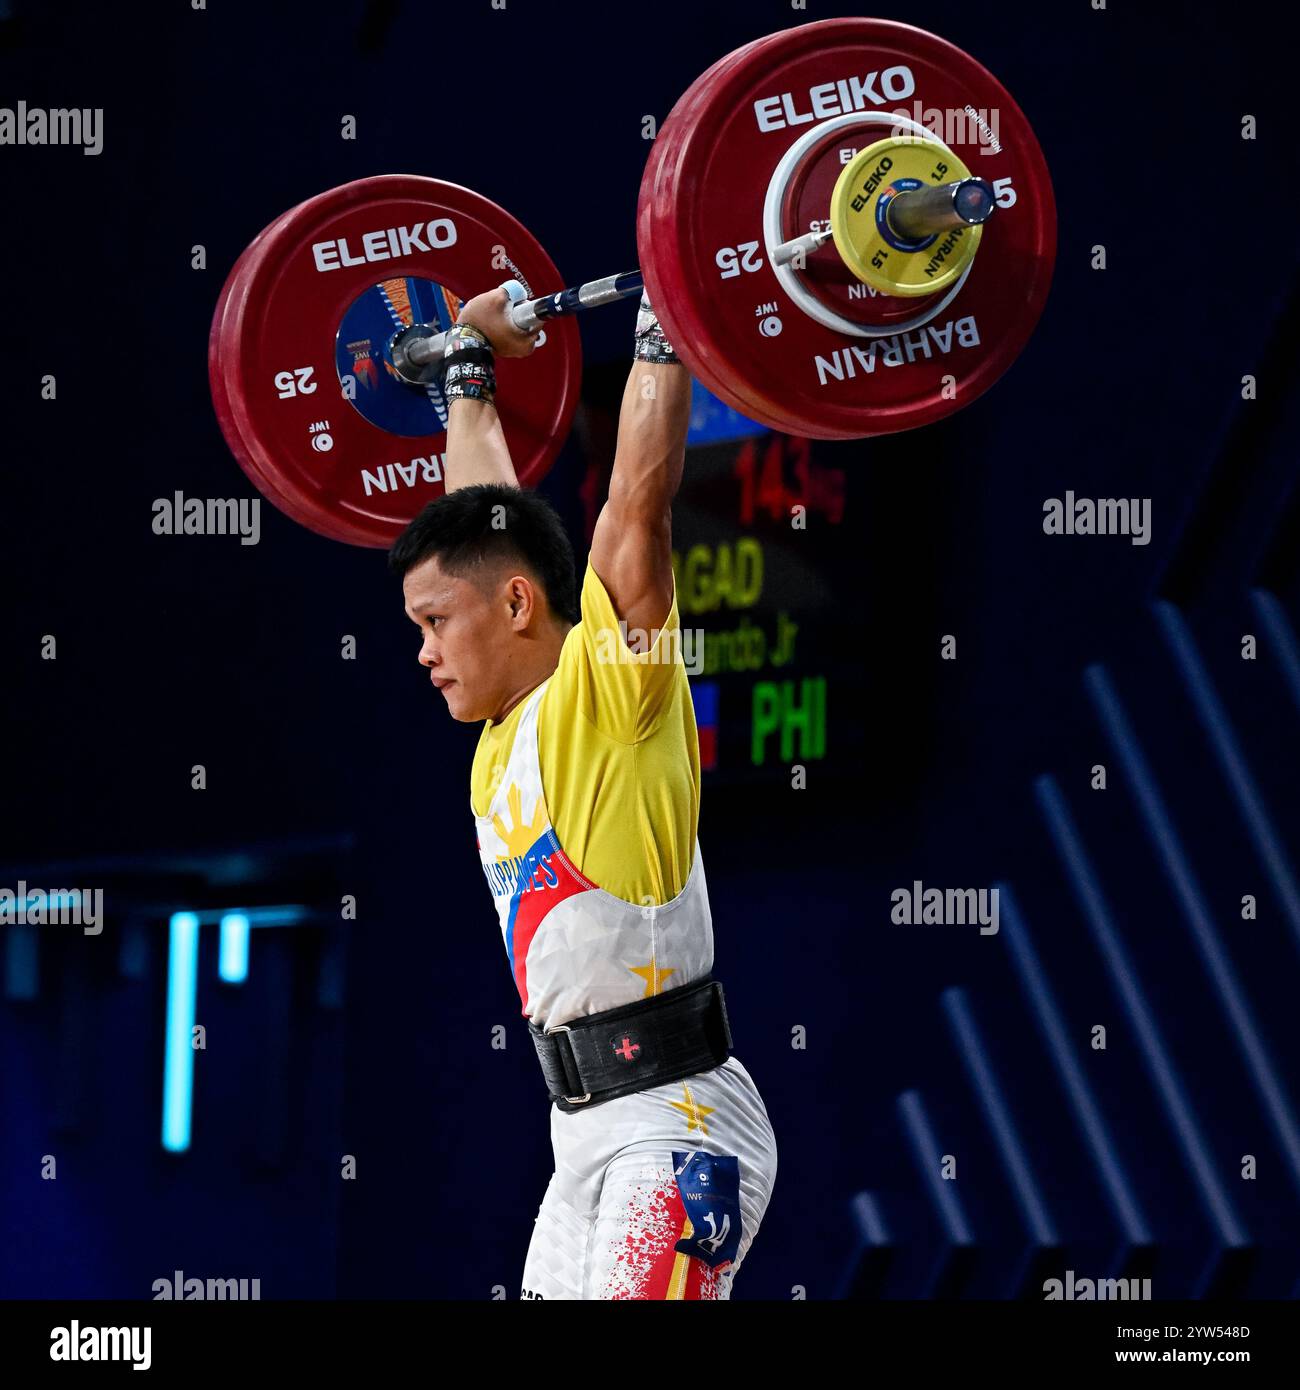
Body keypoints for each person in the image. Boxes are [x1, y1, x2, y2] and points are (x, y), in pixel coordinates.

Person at [388, 285, 777, 1300]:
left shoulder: (611, 696)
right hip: (582, 1140)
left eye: (435, 623)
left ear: (517, 606)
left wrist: (665, 329)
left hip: (677, 1124)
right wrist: (466, 379)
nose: (424, 654)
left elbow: (632, 517)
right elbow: (489, 522)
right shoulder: (498, 737)